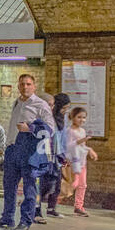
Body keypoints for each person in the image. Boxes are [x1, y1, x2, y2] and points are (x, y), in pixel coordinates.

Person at [0, 74, 54, 230]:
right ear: (18, 86)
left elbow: (50, 129)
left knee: (29, 187)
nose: (25, 87)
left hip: (29, 151)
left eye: (28, 84)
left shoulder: (40, 105)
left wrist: (30, 128)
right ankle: (7, 217)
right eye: (22, 84)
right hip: (12, 149)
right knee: (9, 186)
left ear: (34, 86)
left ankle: (26, 220)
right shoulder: (17, 102)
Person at [35, 93, 71, 221]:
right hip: (41, 157)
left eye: (52, 105)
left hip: (55, 155)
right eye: (49, 104)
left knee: (56, 184)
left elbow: (61, 138)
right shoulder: (41, 118)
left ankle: (51, 208)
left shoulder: (60, 118)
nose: (64, 110)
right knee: (40, 186)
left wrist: (63, 154)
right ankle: (36, 211)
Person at [65, 106, 98, 216]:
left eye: (84, 117)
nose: (82, 120)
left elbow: (83, 146)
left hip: (82, 161)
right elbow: (68, 146)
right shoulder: (69, 131)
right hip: (73, 162)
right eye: (79, 117)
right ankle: (55, 199)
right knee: (73, 183)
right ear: (73, 117)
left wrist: (90, 150)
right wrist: (81, 141)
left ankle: (79, 206)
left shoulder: (82, 131)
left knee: (82, 184)